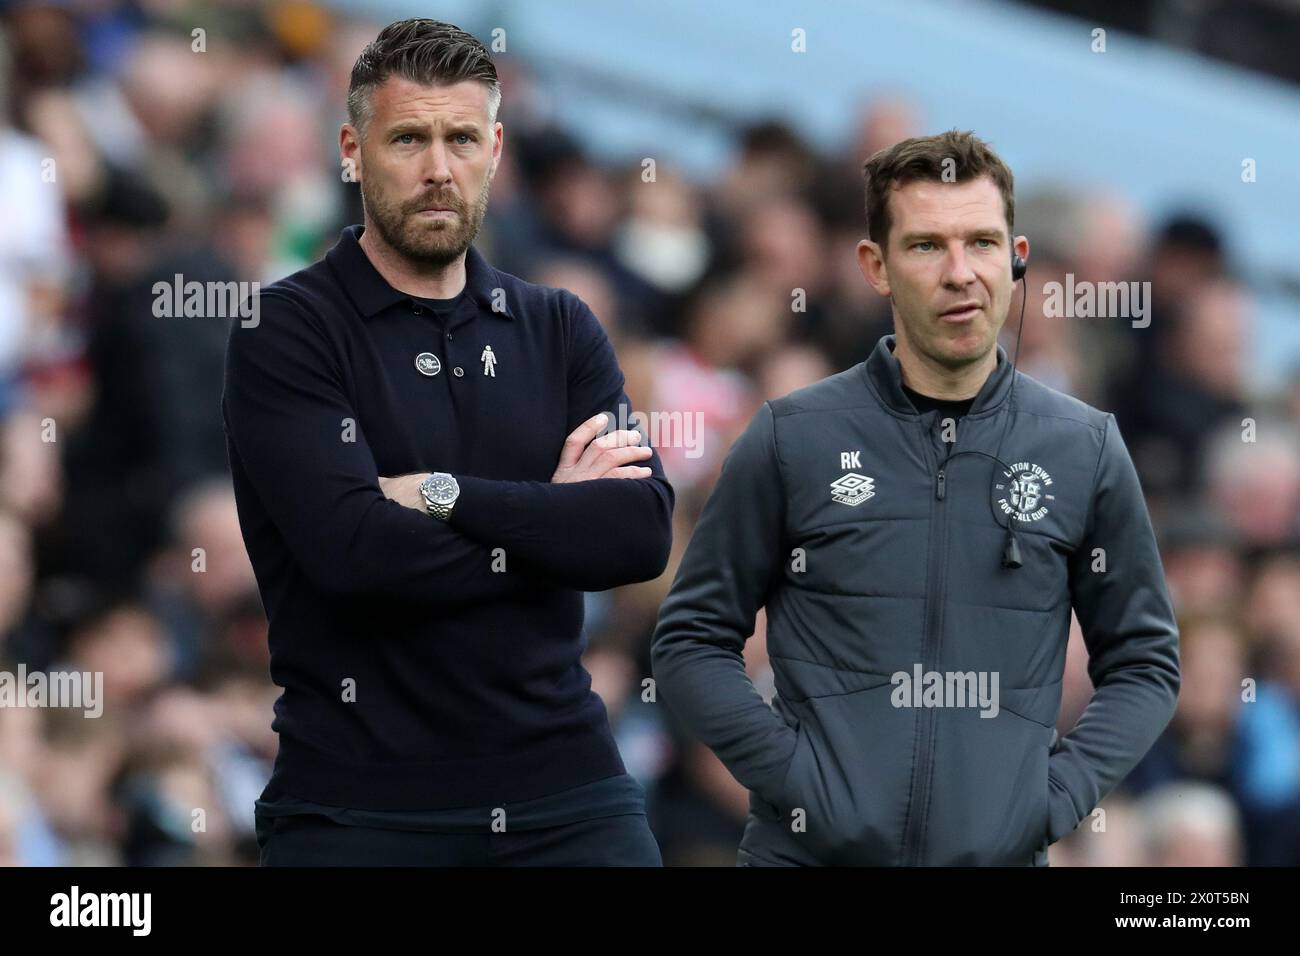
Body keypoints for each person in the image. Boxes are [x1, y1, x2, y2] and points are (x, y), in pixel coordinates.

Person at [651, 130, 1180, 866]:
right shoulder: (792, 436)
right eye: (929, 246)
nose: (962, 273)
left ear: (1016, 257)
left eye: (984, 244)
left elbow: (1147, 662)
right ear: (876, 266)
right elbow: (689, 641)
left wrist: (1048, 800)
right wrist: (802, 783)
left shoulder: (1084, 448)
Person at [223, 18, 672, 866]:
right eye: (408, 139)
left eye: (461, 138)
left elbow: (638, 531)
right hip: (360, 808)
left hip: (570, 796)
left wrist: (443, 494)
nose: (438, 169)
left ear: (496, 150)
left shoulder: (560, 325)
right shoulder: (286, 331)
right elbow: (352, 552)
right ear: (352, 150)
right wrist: (553, 520)